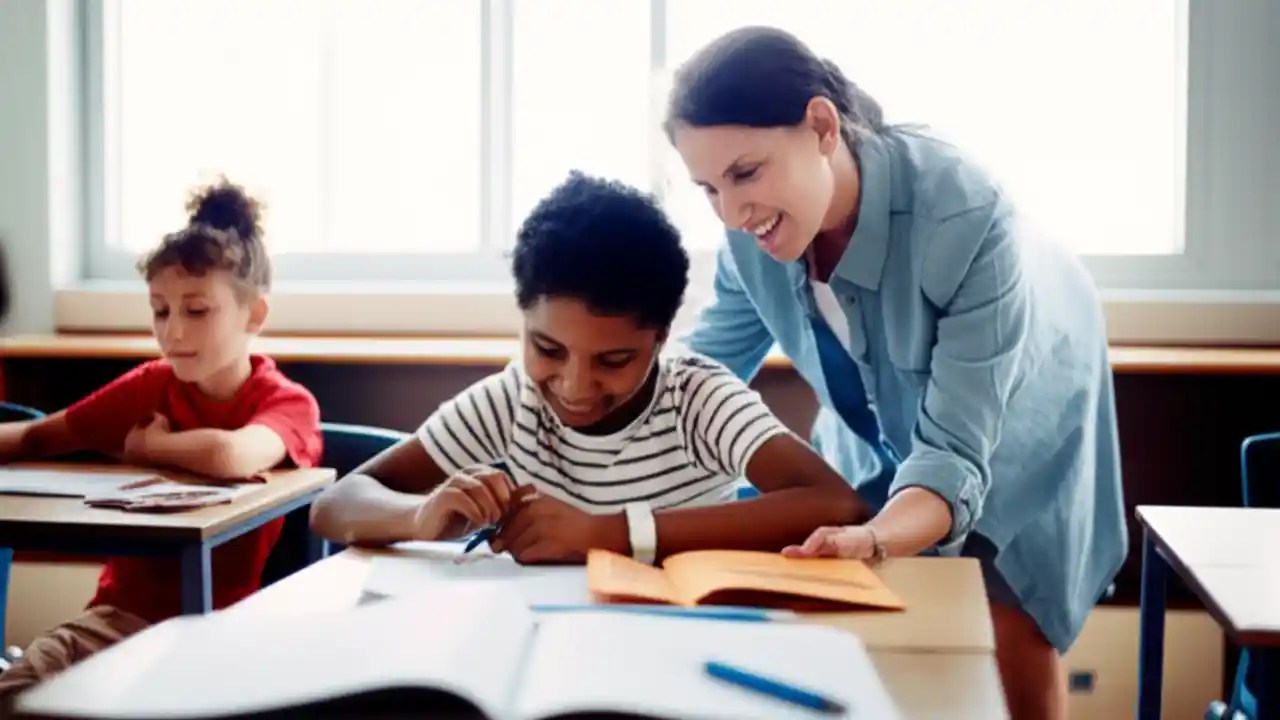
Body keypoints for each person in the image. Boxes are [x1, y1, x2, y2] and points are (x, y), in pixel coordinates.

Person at [665, 26, 1126, 719]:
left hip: (1027, 397)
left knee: (1002, 620)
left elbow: (950, 455)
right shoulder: (751, 237)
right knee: (868, 622)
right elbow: (693, 386)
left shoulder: (966, 214)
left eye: (746, 173)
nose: (731, 214)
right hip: (881, 412)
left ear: (821, 125)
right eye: (708, 189)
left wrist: (875, 536)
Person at [309, 172, 866, 564]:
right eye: (548, 349)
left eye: (615, 360)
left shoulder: (697, 399)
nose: (575, 386)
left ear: (660, 339)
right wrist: (419, 516)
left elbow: (837, 503)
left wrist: (608, 533)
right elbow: (335, 504)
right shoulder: (513, 399)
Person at [0, 178, 323, 698]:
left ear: (255, 314)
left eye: (196, 311)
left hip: (220, 633)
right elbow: (38, 437)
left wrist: (153, 448)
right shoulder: (152, 385)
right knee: (21, 690)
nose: (172, 333)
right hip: (117, 621)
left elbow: (230, 453)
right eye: (160, 310)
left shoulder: (287, 402)